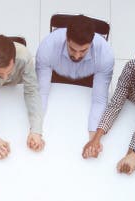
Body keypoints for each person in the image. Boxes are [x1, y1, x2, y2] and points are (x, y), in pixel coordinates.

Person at [35, 15, 114, 146]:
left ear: (91, 42)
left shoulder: (105, 55)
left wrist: (93, 137)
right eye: (72, 49)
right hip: (57, 76)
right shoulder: (47, 47)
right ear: (67, 38)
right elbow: (41, 92)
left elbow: (99, 99)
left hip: (88, 79)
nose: (77, 56)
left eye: (83, 51)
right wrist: (36, 130)